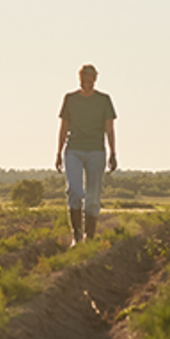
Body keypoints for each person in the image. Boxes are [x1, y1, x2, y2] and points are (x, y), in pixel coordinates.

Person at [55, 64, 118, 245]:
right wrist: (58, 152)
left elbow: (110, 129)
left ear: (95, 80)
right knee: (74, 191)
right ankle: (76, 237)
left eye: (90, 80)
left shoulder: (104, 100)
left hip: (96, 151)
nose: (87, 83)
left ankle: (89, 238)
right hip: (73, 149)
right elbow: (63, 127)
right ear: (79, 79)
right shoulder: (70, 98)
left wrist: (113, 153)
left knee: (92, 196)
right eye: (84, 80)